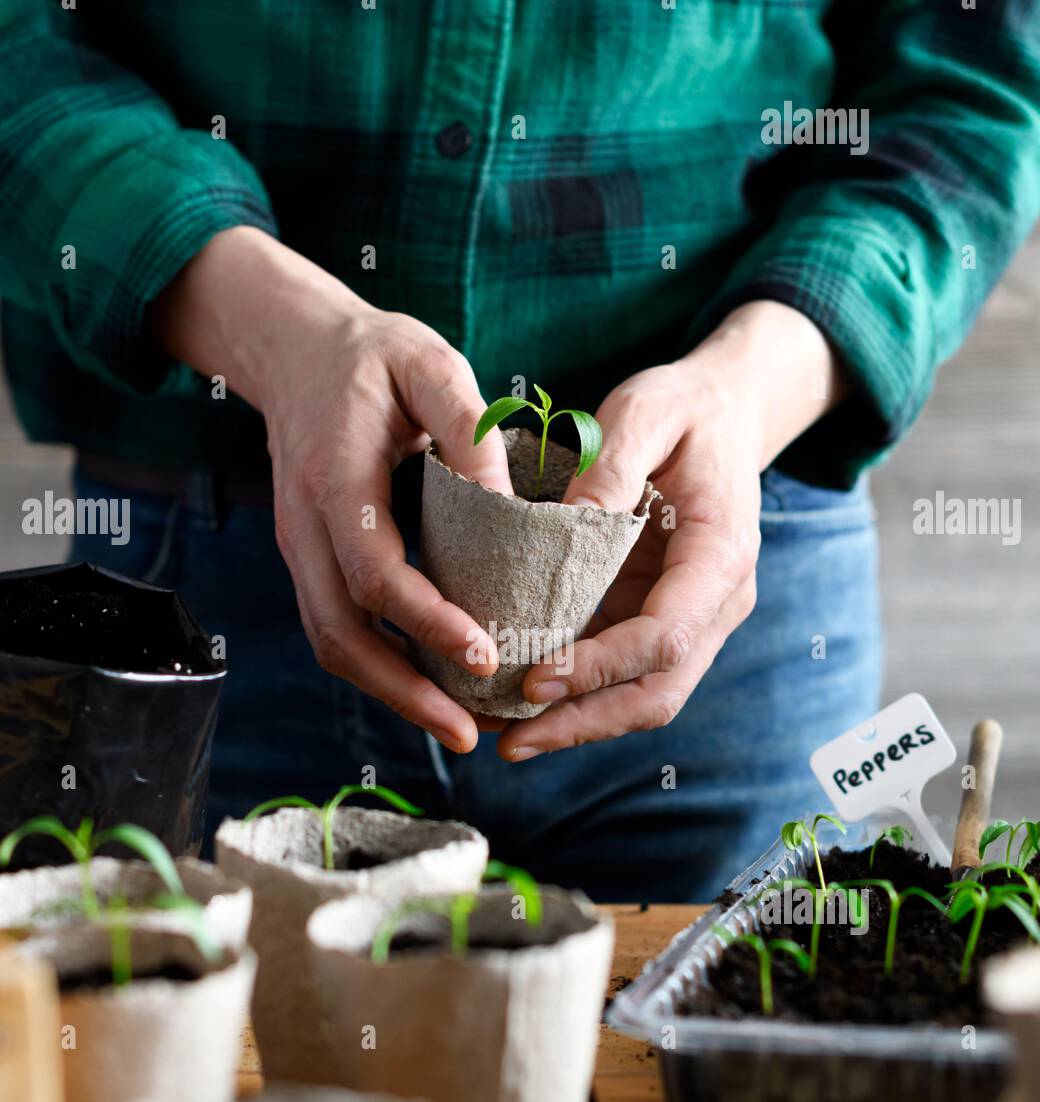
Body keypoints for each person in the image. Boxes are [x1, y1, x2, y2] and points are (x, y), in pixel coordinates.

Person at [1, 2, 1037, 900]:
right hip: (217, 573)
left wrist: (749, 381)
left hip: (712, 568)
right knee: (193, 1089)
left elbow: (970, 83)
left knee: (736, 1089)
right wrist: (270, 331)